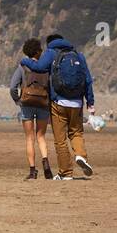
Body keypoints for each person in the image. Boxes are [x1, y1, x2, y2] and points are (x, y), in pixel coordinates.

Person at [19, 33, 96, 180]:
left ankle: (65, 173)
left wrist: (24, 61)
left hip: (58, 102)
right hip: (77, 103)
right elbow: (88, 80)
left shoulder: (51, 52)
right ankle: (81, 155)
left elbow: (40, 67)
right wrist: (90, 103)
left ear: (50, 43)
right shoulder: (78, 55)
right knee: (76, 133)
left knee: (60, 139)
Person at [10, 38, 53, 180]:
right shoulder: (46, 67)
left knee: (30, 138)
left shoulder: (22, 67)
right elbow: (51, 86)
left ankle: (33, 171)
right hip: (43, 103)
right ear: (38, 51)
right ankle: (46, 162)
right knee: (41, 137)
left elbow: (12, 87)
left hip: (27, 104)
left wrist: (18, 100)